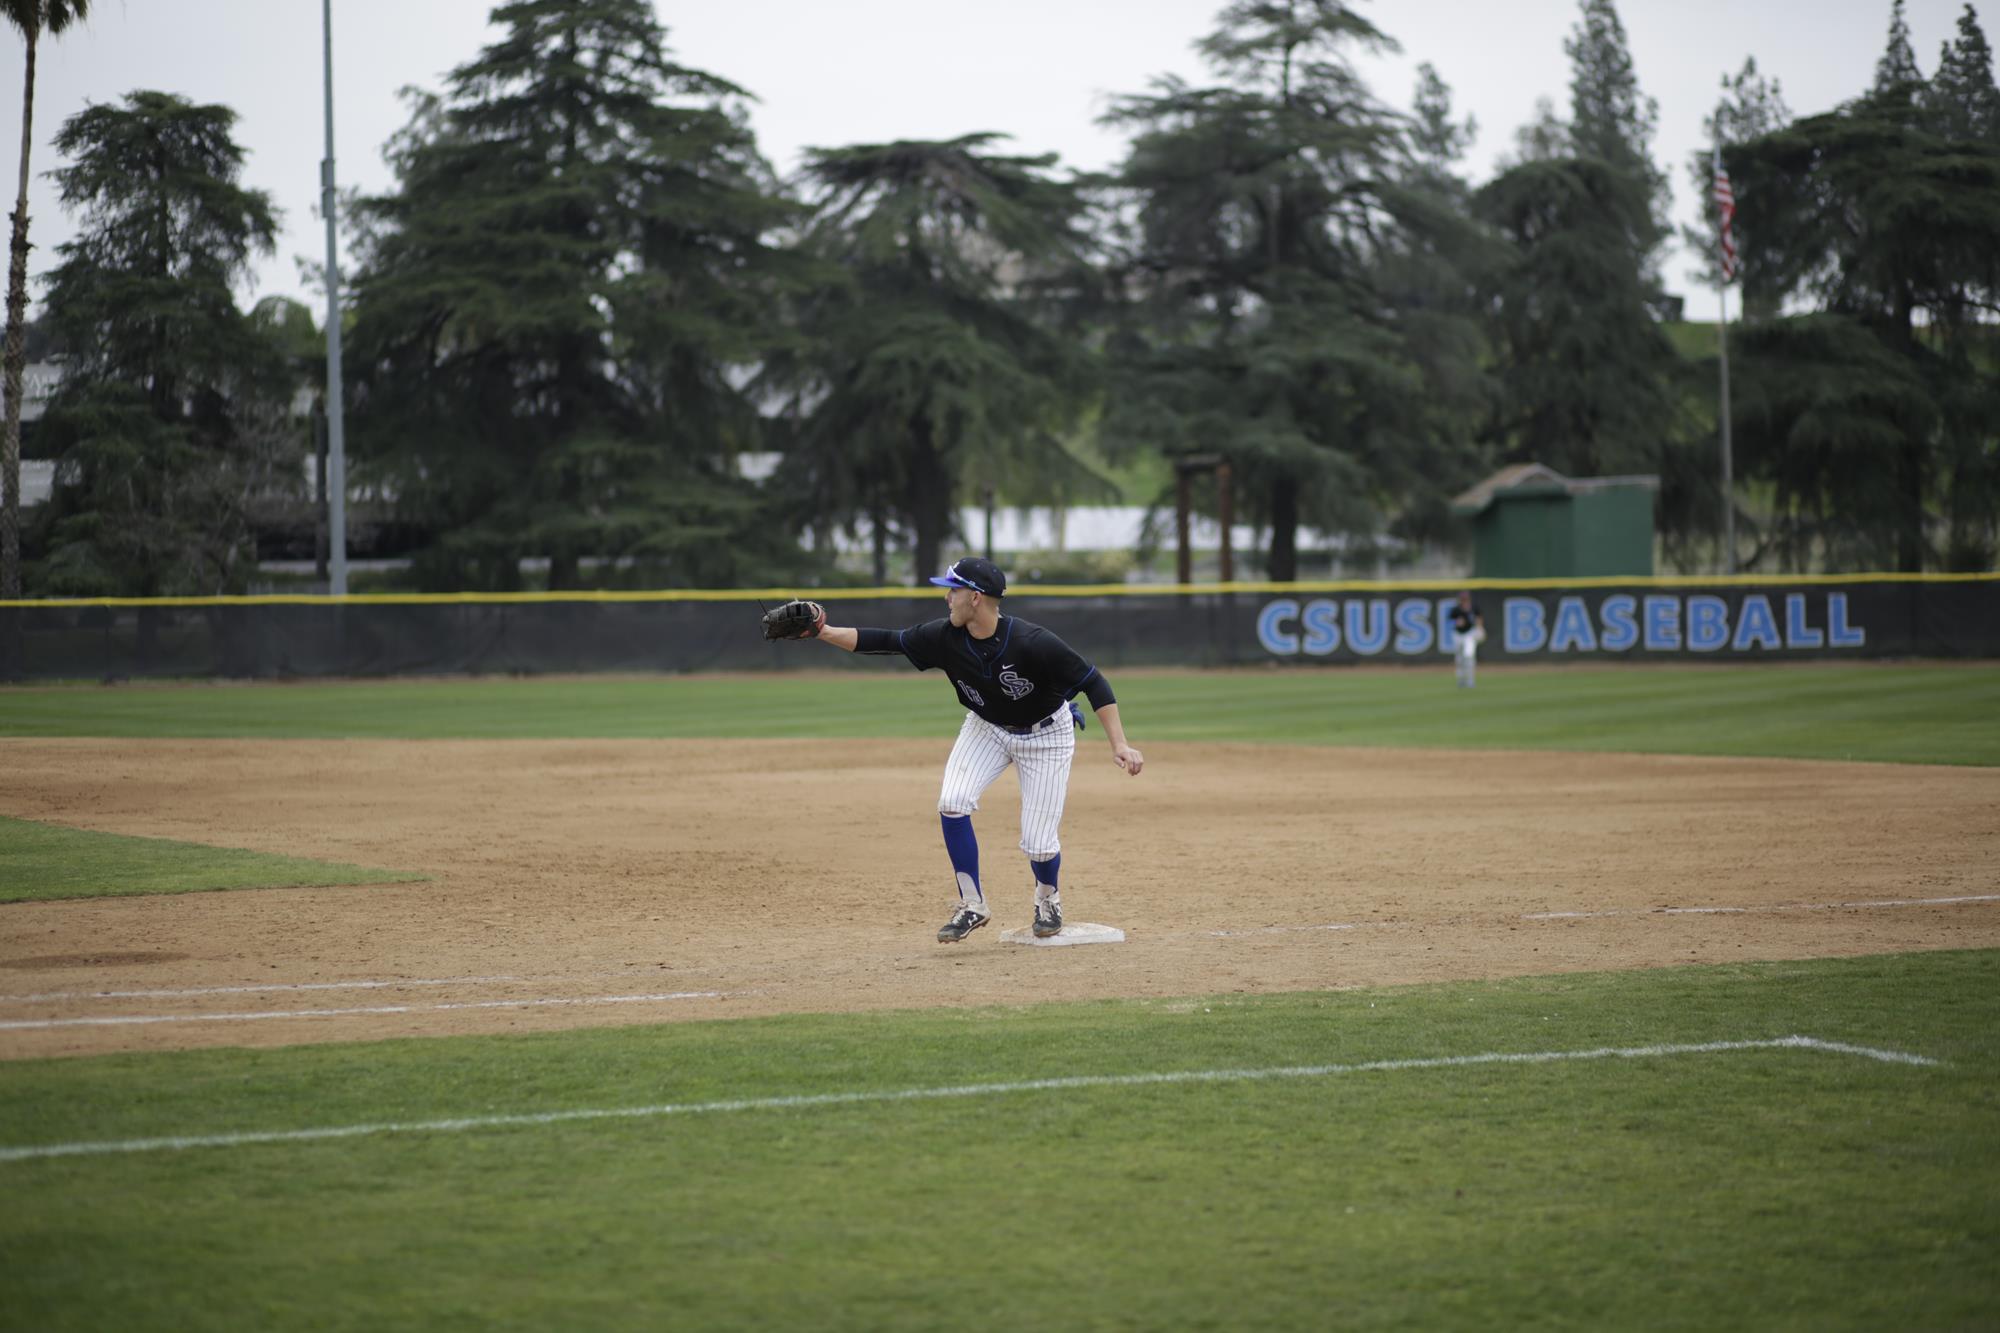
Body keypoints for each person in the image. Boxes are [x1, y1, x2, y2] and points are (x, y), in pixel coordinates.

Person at [792, 556, 1143, 944]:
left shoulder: (1032, 641)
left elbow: (1094, 682)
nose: (947, 597)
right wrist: (822, 631)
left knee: (1040, 843)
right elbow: (885, 641)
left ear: (975, 598)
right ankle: (972, 904)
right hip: (986, 727)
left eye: (953, 589)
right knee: (953, 801)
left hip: (1047, 736)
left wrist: (1120, 744)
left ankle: (1047, 899)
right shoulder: (944, 636)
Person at [1449, 590, 1485, 689]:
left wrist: (1480, 628)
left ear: (1468, 598)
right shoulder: (1456, 609)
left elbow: (1479, 617)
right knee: (1459, 659)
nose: (1464, 600)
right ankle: (1461, 680)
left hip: (1469, 634)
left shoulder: (1473, 608)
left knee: (1469, 657)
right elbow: (1450, 621)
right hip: (1457, 635)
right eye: (1462, 599)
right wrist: (1456, 622)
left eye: (1465, 598)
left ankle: (1470, 681)